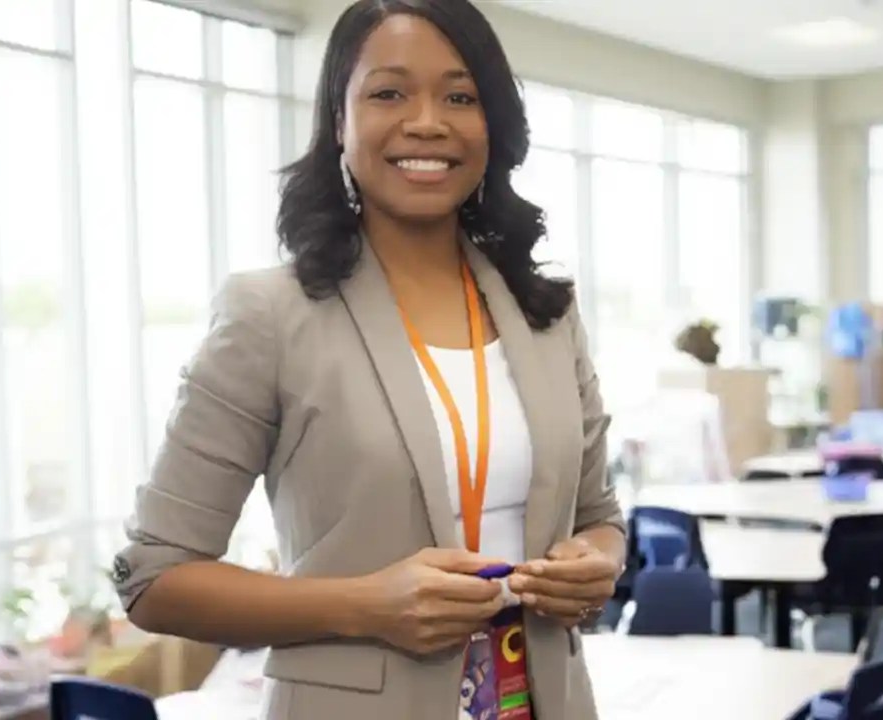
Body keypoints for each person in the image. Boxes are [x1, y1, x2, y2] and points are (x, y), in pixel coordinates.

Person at [112, 0, 626, 717]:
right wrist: (366, 606)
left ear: (494, 124)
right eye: (389, 93)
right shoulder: (272, 316)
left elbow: (601, 518)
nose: (427, 122)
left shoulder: (546, 313)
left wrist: (595, 564)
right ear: (338, 121)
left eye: (460, 97)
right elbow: (155, 578)